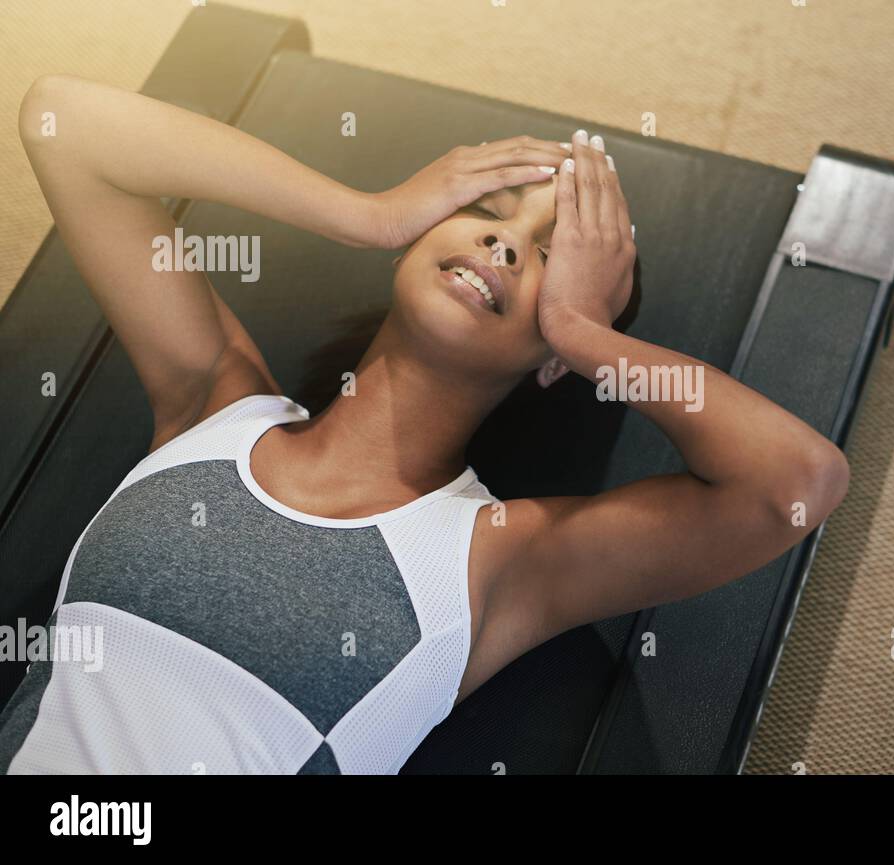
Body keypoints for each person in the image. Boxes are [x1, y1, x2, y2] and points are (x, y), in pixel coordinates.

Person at [0, 74, 850, 774]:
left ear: (556, 356)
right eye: (498, 208)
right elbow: (59, 117)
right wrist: (366, 214)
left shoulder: (495, 562)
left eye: (552, 256)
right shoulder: (213, 405)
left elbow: (796, 485)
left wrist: (590, 334)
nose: (506, 243)